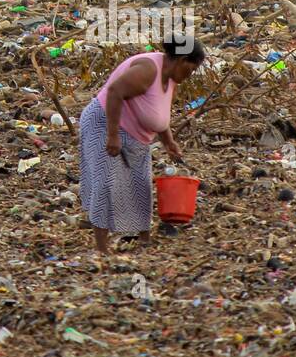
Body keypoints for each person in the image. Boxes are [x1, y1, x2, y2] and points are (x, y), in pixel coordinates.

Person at [78, 35, 206, 254]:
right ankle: (101, 247)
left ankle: (144, 239)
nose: (190, 75)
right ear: (182, 59)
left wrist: (169, 142)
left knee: (140, 185)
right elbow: (115, 92)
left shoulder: (170, 77)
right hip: (105, 123)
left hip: (137, 135)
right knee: (106, 183)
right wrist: (112, 135)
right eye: (191, 69)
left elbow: (158, 113)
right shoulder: (149, 70)